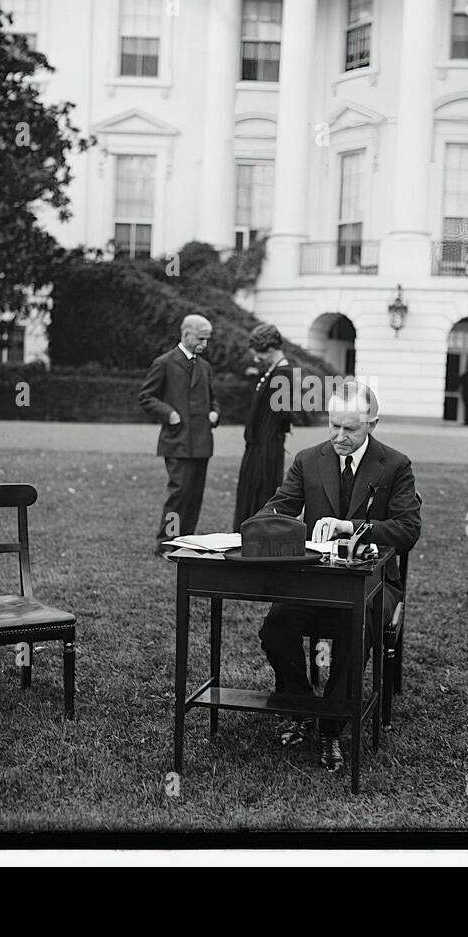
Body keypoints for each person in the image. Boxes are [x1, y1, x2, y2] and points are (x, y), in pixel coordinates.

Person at [255, 380, 421, 772]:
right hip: (316, 581)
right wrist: (271, 525)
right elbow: (278, 508)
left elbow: (407, 530)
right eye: (333, 426)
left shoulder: (396, 465)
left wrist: (351, 528)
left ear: (373, 425)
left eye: (351, 429)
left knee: (354, 632)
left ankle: (331, 726)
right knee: (275, 629)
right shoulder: (309, 459)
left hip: (374, 584)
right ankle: (301, 706)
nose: (339, 437)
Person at [138, 314, 220, 557]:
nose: (205, 344)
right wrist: (169, 413)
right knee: (180, 495)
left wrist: (215, 412)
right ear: (186, 335)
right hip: (177, 442)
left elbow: (213, 398)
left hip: (202, 443)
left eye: (207, 339)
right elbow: (146, 397)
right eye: (201, 338)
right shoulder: (164, 362)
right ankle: (166, 543)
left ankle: (186, 542)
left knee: (194, 497)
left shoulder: (205, 366)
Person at [232, 323, 297, 530]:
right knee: (251, 494)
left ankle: (256, 539)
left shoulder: (283, 373)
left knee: (260, 493)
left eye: (259, 353)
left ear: (270, 349)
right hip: (259, 445)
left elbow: (286, 413)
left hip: (266, 449)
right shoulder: (274, 371)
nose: (256, 358)